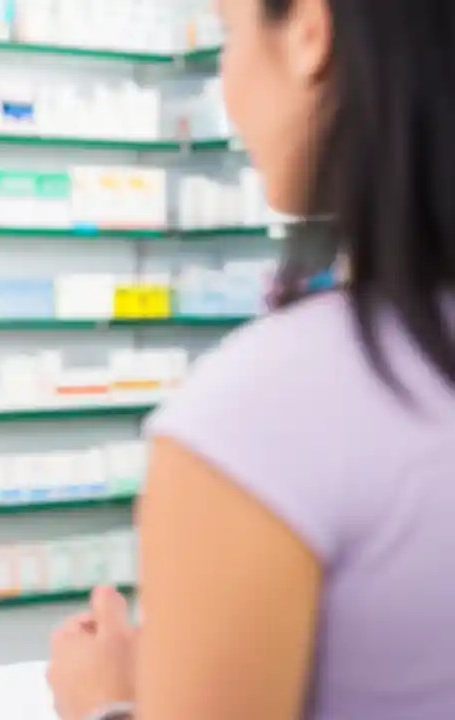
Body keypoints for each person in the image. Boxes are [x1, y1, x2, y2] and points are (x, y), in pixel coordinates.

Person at [47, 0, 455, 719]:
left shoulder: (262, 411)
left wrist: (105, 705)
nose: (227, 84)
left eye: (230, 33)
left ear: (308, 33)